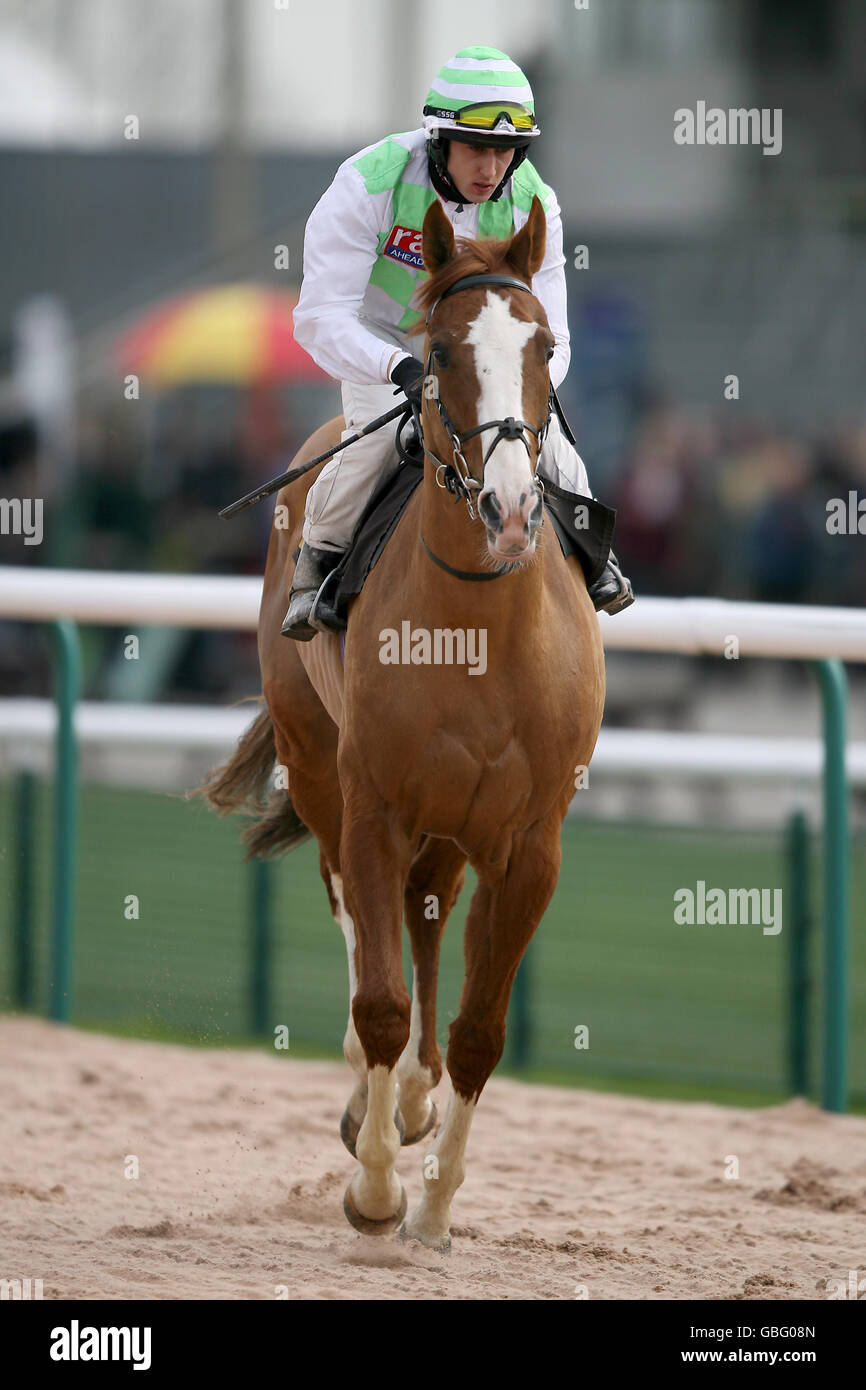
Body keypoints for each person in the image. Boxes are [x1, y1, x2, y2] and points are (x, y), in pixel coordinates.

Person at [283, 44, 633, 638]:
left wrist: (518, 386)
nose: (491, 170)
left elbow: (557, 335)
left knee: (556, 455)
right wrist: (399, 368)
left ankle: (597, 563)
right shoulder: (370, 181)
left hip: (489, 360)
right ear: (440, 139)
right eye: (478, 149)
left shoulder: (535, 202)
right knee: (373, 448)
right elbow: (320, 316)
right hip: (383, 348)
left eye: (505, 152)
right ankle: (314, 561)